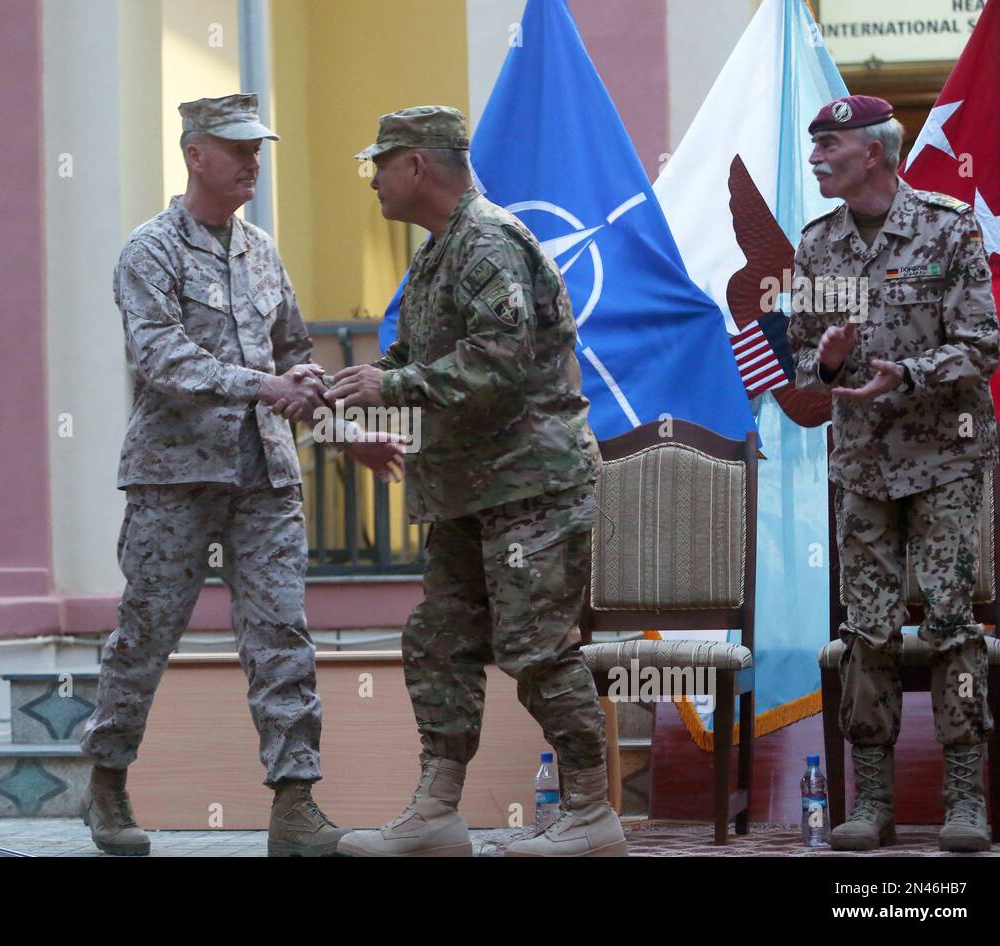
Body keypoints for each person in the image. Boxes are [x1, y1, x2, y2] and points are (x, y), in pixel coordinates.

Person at [79, 93, 394, 857]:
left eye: (258, 148)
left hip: (265, 479)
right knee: (147, 632)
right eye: (238, 148)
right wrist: (262, 386)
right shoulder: (148, 251)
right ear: (195, 154)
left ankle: (294, 806)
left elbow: (292, 356)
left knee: (282, 636)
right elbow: (160, 357)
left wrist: (339, 429)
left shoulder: (261, 250)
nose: (254, 161)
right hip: (173, 479)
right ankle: (107, 784)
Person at [327, 106, 626, 857]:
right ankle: (436, 814)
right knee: (439, 641)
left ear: (417, 166)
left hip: (530, 488)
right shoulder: (439, 252)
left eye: (379, 165)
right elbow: (422, 364)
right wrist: (352, 391)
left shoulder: (487, 239)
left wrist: (389, 389)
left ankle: (592, 814)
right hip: (466, 492)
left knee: (535, 648)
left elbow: (497, 363)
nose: (373, 181)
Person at [788, 95, 1000, 852]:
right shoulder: (816, 246)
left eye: (829, 144)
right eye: (813, 145)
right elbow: (805, 363)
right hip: (864, 471)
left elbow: (982, 346)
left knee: (949, 624)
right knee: (866, 630)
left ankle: (966, 798)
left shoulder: (947, 225)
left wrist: (904, 374)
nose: (816, 156)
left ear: (873, 151)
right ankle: (872, 800)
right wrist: (832, 360)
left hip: (943, 462)